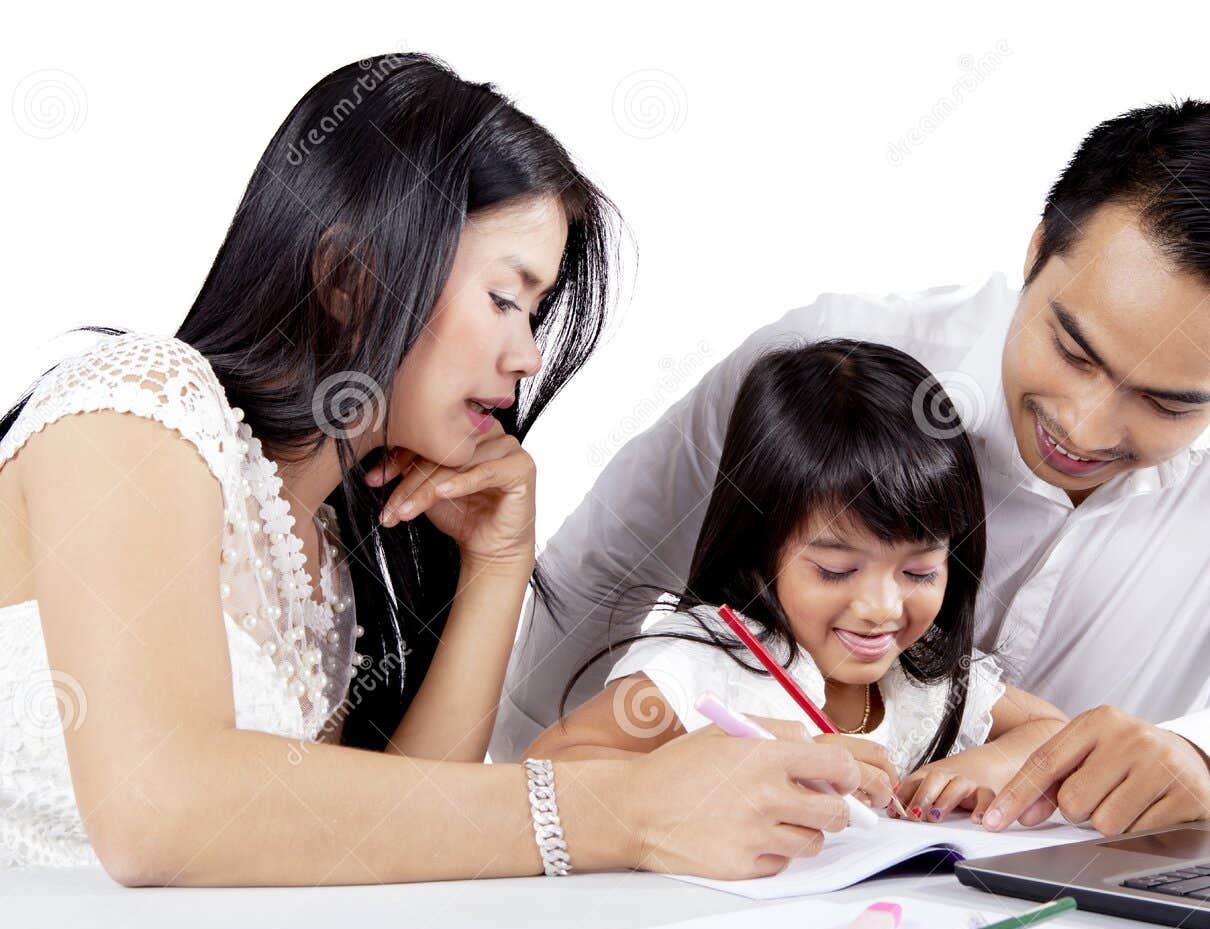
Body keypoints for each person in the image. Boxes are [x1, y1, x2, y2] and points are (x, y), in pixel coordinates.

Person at [0, 53, 859, 883]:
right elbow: (163, 810)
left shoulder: (337, 558)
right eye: (503, 299)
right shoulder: (135, 404)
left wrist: (496, 569)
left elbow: (400, 841)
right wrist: (621, 808)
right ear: (351, 278)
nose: (526, 355)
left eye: (536, 310)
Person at [494, 100, 1210, 838]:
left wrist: (1205, 755)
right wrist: (540, 837)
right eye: (1073, 350)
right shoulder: (825, 368)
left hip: (1052, 901)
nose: (1085, 426)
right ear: (1038, 249)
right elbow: (603, 577)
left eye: (1167, 403)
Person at [529, 339, 1066, 822]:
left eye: (919, 571)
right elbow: (544, 770)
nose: (882, 607)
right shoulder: (708, 663)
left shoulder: (922, 675)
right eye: (836, 570)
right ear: (760, 547)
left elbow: (1054, 732)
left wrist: (988, 762)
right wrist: (722, 777)